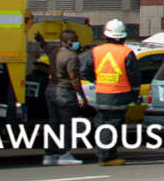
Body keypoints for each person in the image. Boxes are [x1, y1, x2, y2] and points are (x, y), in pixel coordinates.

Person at [88, 19, 136, 164]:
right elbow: (134, 75)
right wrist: (134, 93)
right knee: (113, 125)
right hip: (119, 95)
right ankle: (107, 157)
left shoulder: (96, 51)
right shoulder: (126, 52)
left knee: (103, 123)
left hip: (102, 95)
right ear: (123, 36)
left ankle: (102, 152)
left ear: (105, 35)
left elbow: (84, 69)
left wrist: (97, 80)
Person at [43, 29, 86, 166]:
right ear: (68, 42)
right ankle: (64, 154)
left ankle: (49, 155)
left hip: (51, 90)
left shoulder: (54, 51)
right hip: (65, 91)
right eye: (75, 39)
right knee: (66, 125)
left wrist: (40, 39)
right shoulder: (71, 57)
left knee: (53, 123)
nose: (77, 42)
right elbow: (74, 79)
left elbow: (44, 46)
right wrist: (81, 96)